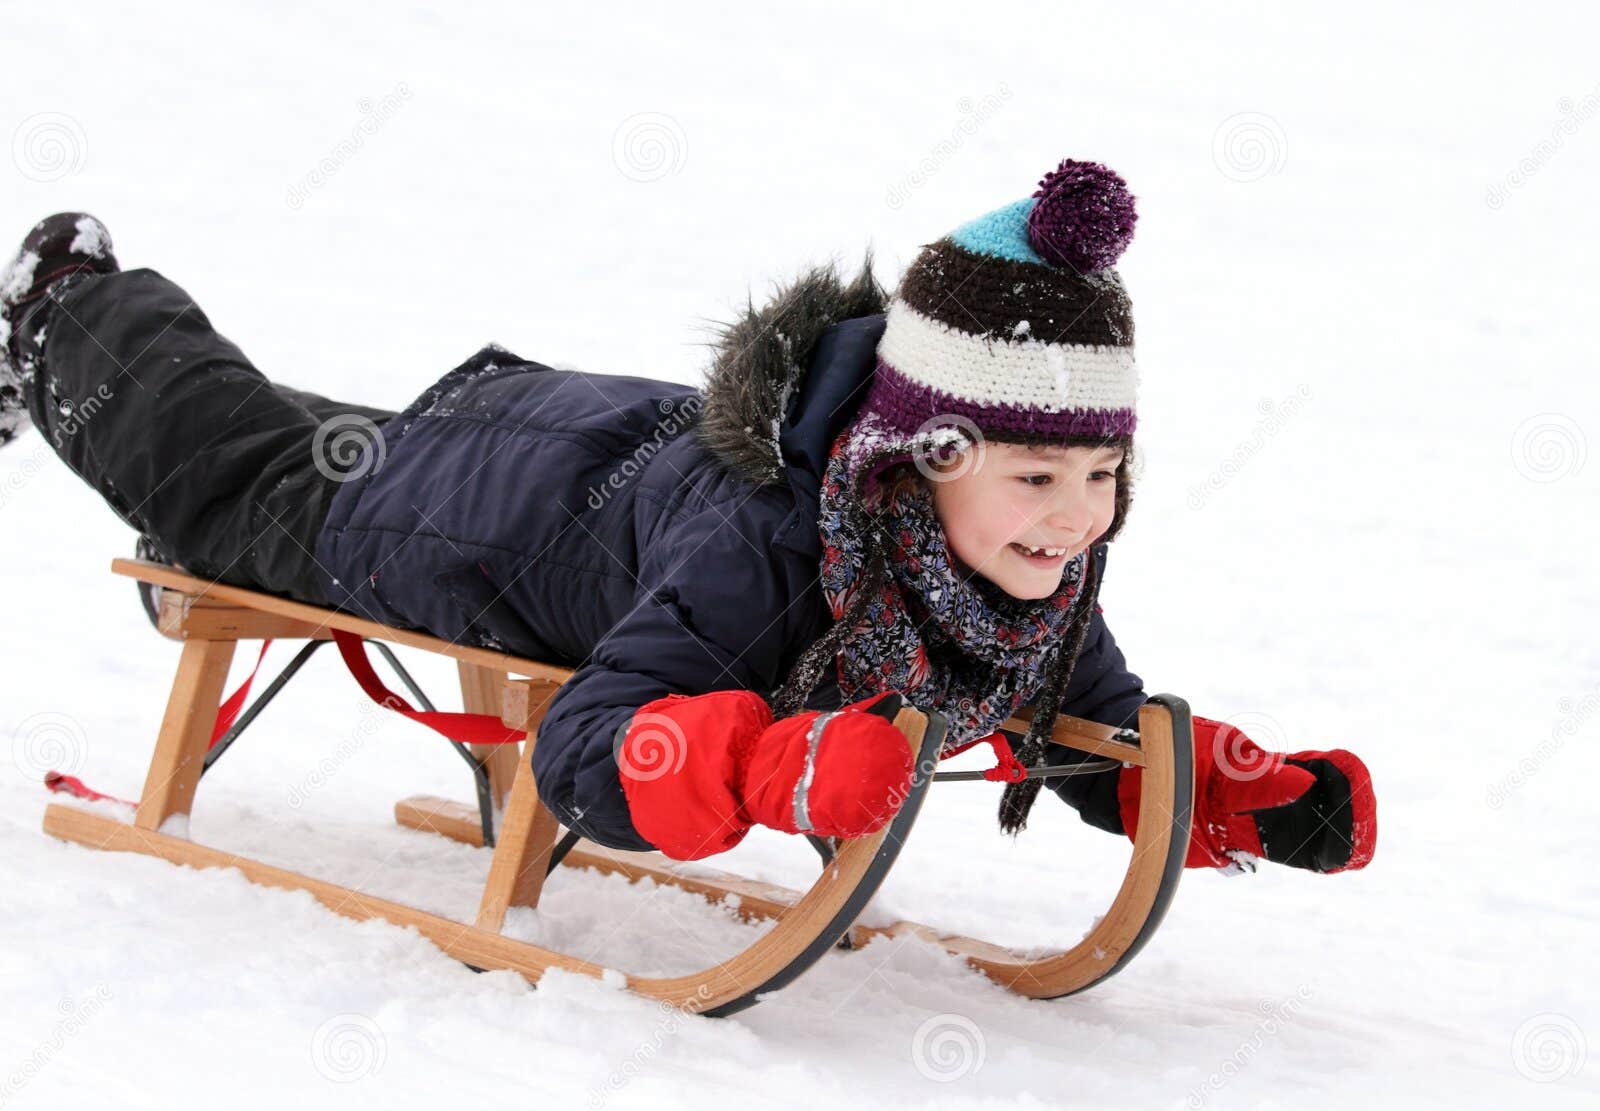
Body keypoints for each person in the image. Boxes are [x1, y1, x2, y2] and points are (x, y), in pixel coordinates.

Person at [0, 157, 1375, 874]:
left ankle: (135, 423)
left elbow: (1077, 702)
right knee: (238, 477)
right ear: (916, 458)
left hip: (581, 454)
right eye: (1036, 478)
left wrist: (1213, 794)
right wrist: (762, 765)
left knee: (302, 449)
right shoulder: (773, 556)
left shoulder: (1012, 566)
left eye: (1100, 479)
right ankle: (62, 303)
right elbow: (588, 747)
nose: (1074, 521)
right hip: (467, 526)